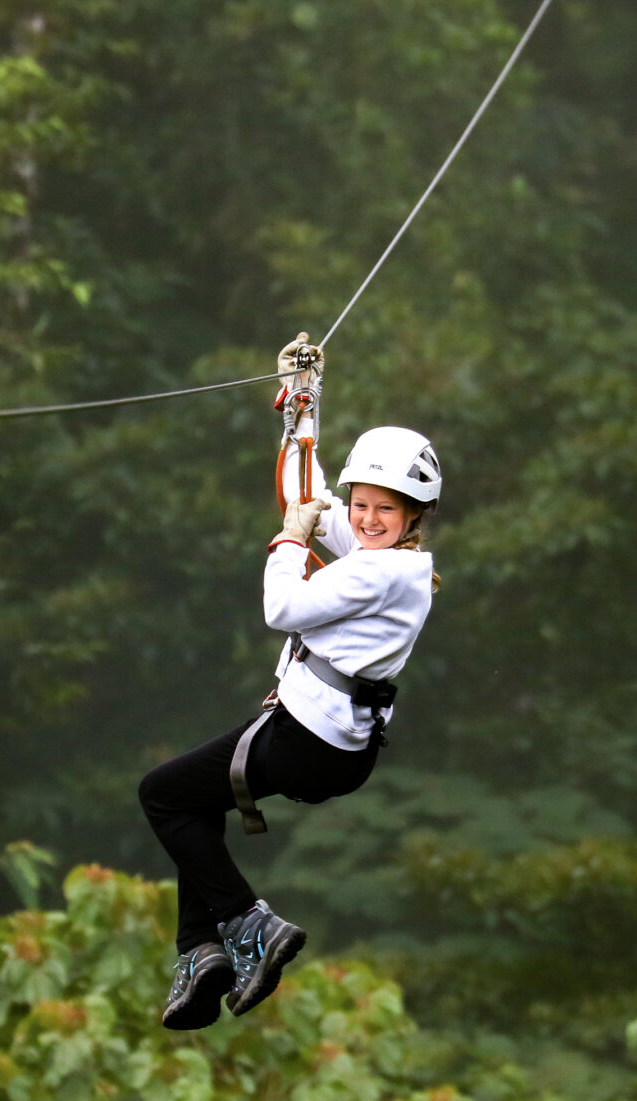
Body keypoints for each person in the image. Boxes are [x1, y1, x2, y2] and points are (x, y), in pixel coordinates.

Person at [139, 341, 442, 1030]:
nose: (365, 519)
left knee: (161, 795)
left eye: (383, 511)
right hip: (323, 739)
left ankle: (248, 924)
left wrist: (287, 542)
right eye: (362, 505)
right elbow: (309, 497)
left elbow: (282, 607)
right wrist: (302, 411)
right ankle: (201, 953)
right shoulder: (392, 559)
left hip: (308, 741)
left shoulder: (379, 571)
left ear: (413, 516)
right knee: (193, 800)